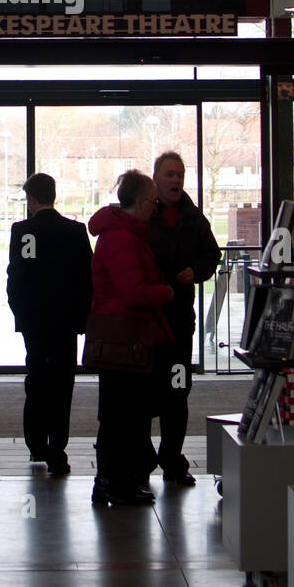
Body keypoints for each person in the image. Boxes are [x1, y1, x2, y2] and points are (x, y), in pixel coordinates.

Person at [87, 170, 174, 507]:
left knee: (118, 414)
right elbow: (132, 293)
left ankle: (113, 481)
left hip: (120, 340)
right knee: (122, 416)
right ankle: (115, 483)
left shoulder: (122, 233)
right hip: (124, 340)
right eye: (152, 200)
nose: (155, 206)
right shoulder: (122, 238)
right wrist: (166, 292)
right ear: (138, 202)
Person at [7, 172, 93, 475]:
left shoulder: (22, 231)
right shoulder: (75, 230)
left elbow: (16, 276)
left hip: (34, 319)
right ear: (53, 195)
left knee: (37, 377)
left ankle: (36, 443)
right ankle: (58, 448)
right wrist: (82, 317)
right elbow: (87, 278)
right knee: (62, 383)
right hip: (66, 320)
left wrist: (19, 311)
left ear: (31, 199)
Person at [146, 151, 220, 486]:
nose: (176, 180)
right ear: (156, 178)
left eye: (181, 174)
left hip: (178, 326)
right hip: (147, 323)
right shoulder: (144, 216)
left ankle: (173, 459)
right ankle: (143, 458)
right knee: (144, 394)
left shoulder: (194, 218)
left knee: (177, 392)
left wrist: (198, 271)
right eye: (170, 174)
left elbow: (212, 255)